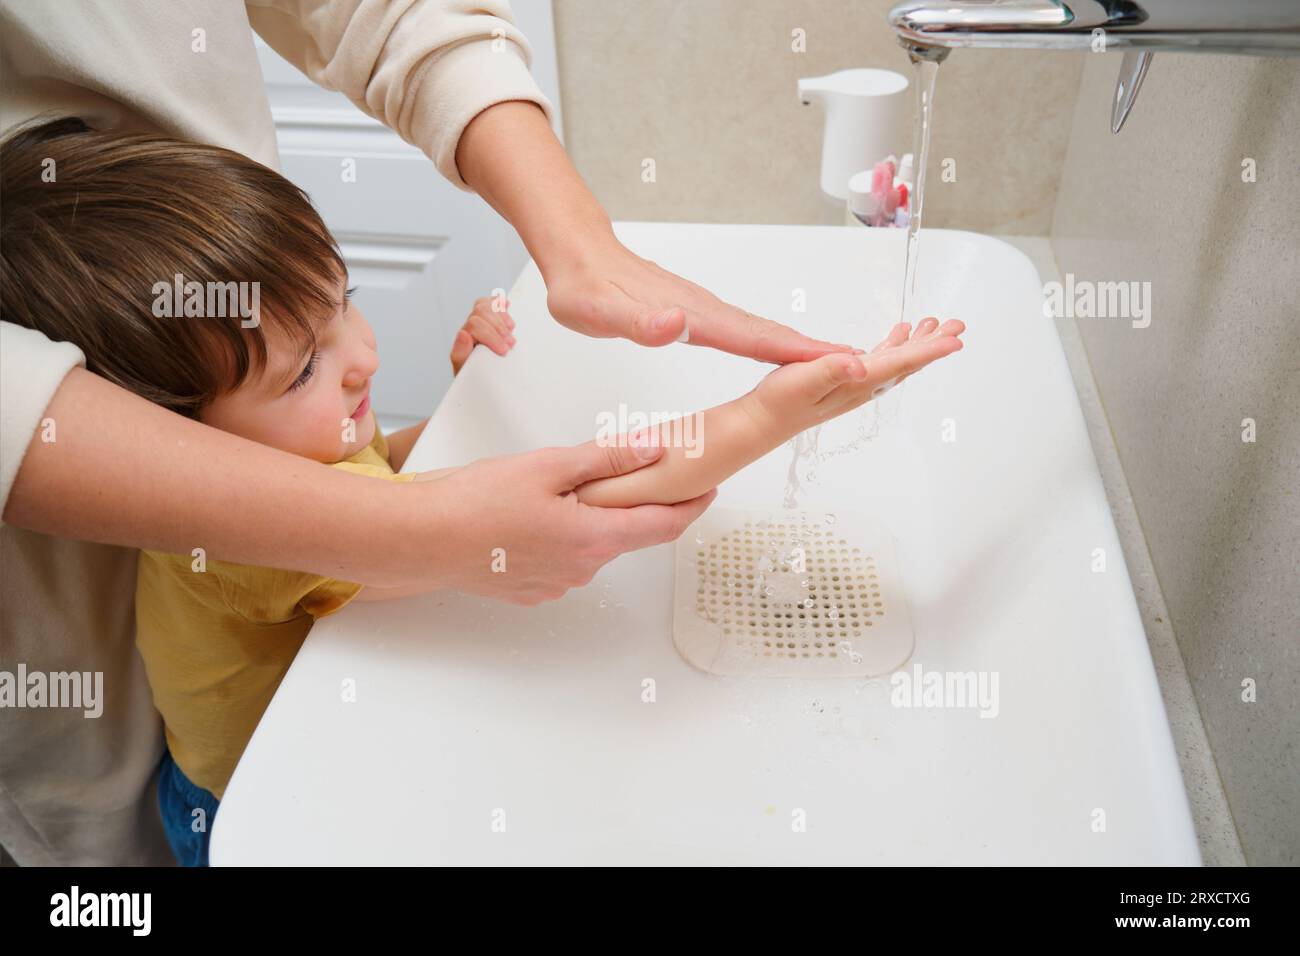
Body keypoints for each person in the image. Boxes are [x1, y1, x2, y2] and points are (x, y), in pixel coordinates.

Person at [0, 0, 851, 865]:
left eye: (346, 305)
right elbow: (594, 495)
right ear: (171, 430)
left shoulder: (276, 452)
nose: (364, 358)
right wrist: (772, 412)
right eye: (304, 369)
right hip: (245, 801)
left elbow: (378, 470)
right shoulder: (247, 544)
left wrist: (461, 405)